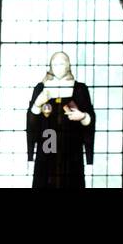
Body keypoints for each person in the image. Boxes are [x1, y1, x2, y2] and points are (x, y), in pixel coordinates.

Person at [26, 51, 95, 188]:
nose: (58, 67)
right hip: (47, 145)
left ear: (68, 65)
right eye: (55, 64)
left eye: (62, 63)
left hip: (71, 147)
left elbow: (90, 118)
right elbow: (32, 122)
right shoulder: (40, 88)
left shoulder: (80, 89)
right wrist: (37, 104)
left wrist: (82, 117)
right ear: (50, 66)